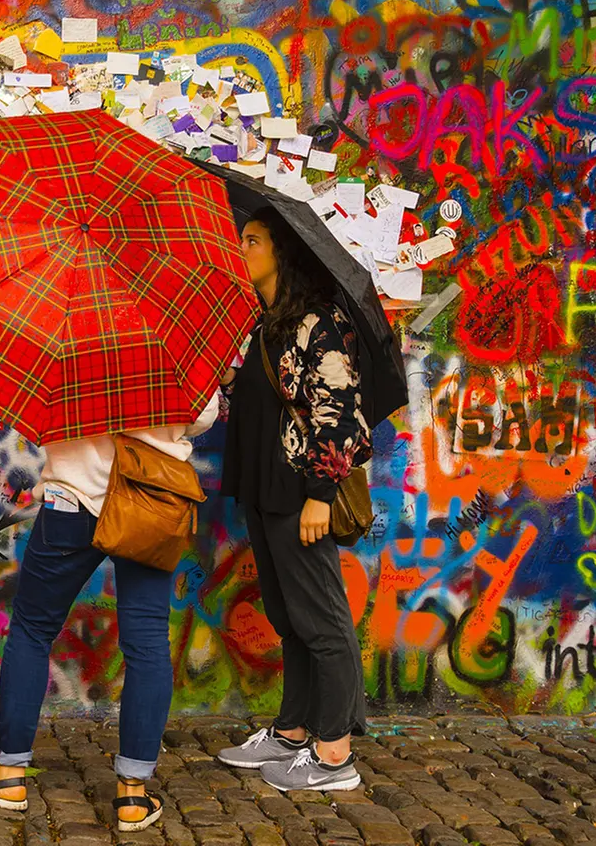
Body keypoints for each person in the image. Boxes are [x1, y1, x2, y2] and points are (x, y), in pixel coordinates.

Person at [0, 392, 219, 832]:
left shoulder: (66, 334)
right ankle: (133, 795)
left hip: (72, 500)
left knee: (31, 630)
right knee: (147, 642)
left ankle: (8, 775)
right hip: (151, 503)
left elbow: (38, 412)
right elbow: (203, 418)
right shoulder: (171, 341)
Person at [213, 207, 372, 792]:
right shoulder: (267, 324)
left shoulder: (317, 323)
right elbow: (257, 399)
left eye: (251, 241)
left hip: (300, 493)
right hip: (263, 490)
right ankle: (293, 731)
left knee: (323, 621)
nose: (242, 248)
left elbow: (339, 414)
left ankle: (335, 756)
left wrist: (320, 496)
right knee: (290, 618)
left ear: (281, 251)